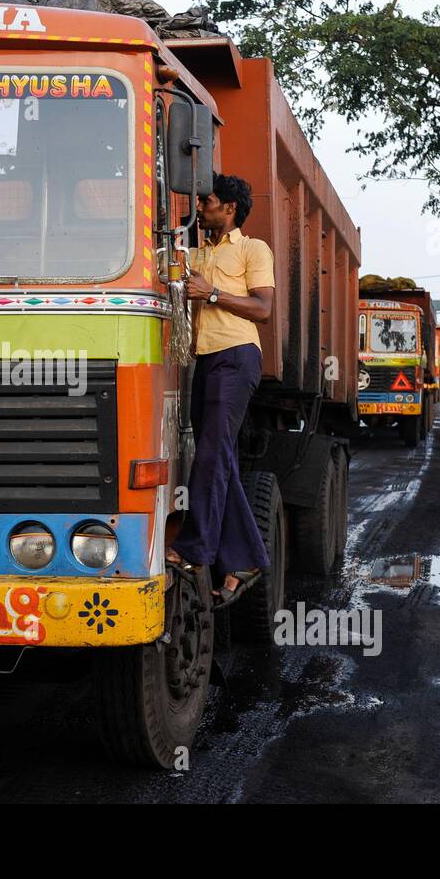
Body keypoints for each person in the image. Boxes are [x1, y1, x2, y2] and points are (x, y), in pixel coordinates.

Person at [166, 173, 276, 608]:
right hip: (206, 359)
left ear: (229, 208)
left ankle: (195, 549)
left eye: (208, 201)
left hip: (237, 355)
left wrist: (211, 294)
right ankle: (244, 559)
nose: (201, 207)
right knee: (219, 458)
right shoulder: (195, 253)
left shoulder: (253, 249)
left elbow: (263, 308)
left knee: (212, 452)